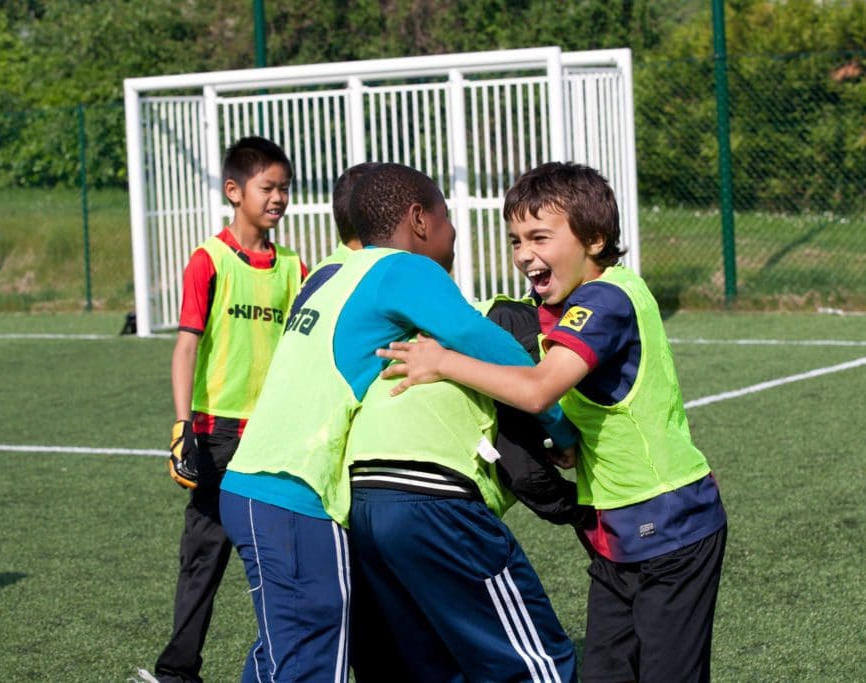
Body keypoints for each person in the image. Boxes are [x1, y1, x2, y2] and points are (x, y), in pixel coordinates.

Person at [218, 162, 578, 682]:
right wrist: (560, 426)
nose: (453, 232)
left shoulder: (328, 272)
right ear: (419, 220)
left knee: (286, 652)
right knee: (311, 664)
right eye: (447, 217)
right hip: (297, 486)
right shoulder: (404, 271)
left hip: (252, 479)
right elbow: (491, 346)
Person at [378, 161, 729, 683]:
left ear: (593, 238)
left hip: (671, 527)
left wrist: (442, 361)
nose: (524, 254)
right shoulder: (565, 304)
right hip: (616, 535)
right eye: (516, 239)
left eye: (540, 237)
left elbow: (539, 387)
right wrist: (569, 439)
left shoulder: (607, 300)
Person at [345, 294, 583, 681]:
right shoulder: (514, 333)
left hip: (358, 500)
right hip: (430, 497)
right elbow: (523, 470)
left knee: (429, 663)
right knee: (537, 665)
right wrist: (582, 512)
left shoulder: (442, 321)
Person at [151, 136, 305, 683]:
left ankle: (293, 664)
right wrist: (182, 426)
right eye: (269, 187)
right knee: (203, 560)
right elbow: (187, 345)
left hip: (273, 436)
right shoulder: (208, 260)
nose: (279, 198)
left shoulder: (294, 266)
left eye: (285, 188)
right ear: (234, 191)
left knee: (285, 557)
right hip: (216, 436)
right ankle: (177, 672)